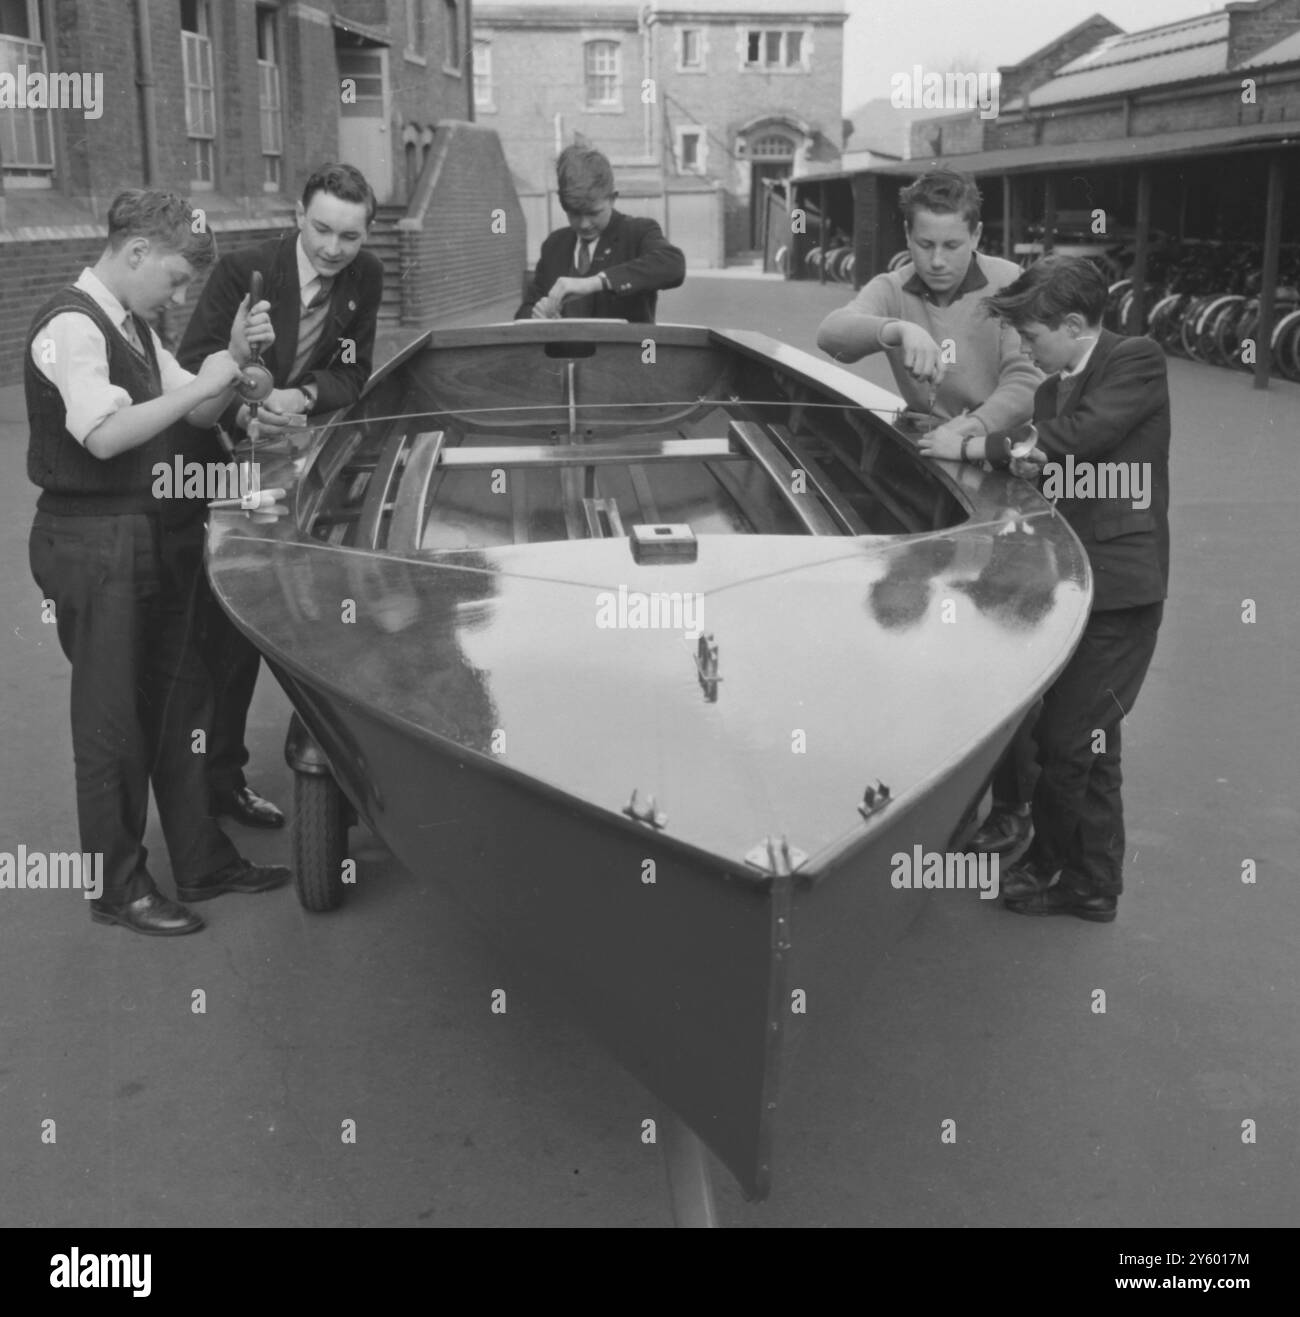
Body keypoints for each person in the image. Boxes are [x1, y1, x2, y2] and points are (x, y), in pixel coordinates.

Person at [26, 189, 290, 936]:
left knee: (184, 698)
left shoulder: (131, 323)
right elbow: (104, 435)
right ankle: (118, 885)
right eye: (175, 279)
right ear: (135, 252)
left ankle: (202, 859)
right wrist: (207, 383)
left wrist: (231, 363)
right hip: (92, 538)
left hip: (147, 532)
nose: (181, 295)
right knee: (114, 719)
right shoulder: (73, 327)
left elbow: (197, 406)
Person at [817, 167, 1043, 857]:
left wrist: (970, 431)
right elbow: (832, 333)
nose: (938, 262)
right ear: (908, 238)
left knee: (1001, 642)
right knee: (928, 644)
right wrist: (890, 329)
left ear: (976, 234)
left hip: (1002, 470)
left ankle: (1013, 806)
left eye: (952, 245)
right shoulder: (894, 283)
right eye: (924, 245)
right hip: (933, 476)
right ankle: (937, 796)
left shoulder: (1010, 284)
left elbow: (1027, 379)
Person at [175, 163, 383, 829]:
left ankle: (334, 770)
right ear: (298, 214)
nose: (332, 248)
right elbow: (192, 364)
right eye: (321, 228)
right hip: (226, 466)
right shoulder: (244, 269)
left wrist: (298, 397)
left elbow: (354, 372)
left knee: (318, 621)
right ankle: (214, 786)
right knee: (229, 632)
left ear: (365, 235)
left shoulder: (366, 277)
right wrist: (245, 414)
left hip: (303, 468)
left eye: (349, 237)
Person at [982, 256, 1170, 922]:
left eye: (1032, 337)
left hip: (1122, 585)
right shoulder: (1049, 390)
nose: (1027, 351)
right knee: (1094, 740)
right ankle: (1092, 881)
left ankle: (1056, 865)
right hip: (1072, 580)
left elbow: (1087, 436)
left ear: (1071, 323)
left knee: (1064, 739)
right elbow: (1045, 468)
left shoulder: (1135, 358)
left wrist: (985, 445)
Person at [516, 145, 685, 323]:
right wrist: (536, 313)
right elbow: (524, 311)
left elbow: (673, 265)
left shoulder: (638, 232)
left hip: (627, 351)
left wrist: (595, 282)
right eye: (574, 213)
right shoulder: (554, 245)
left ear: (613, 198)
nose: (584, 224)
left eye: (593, 213)